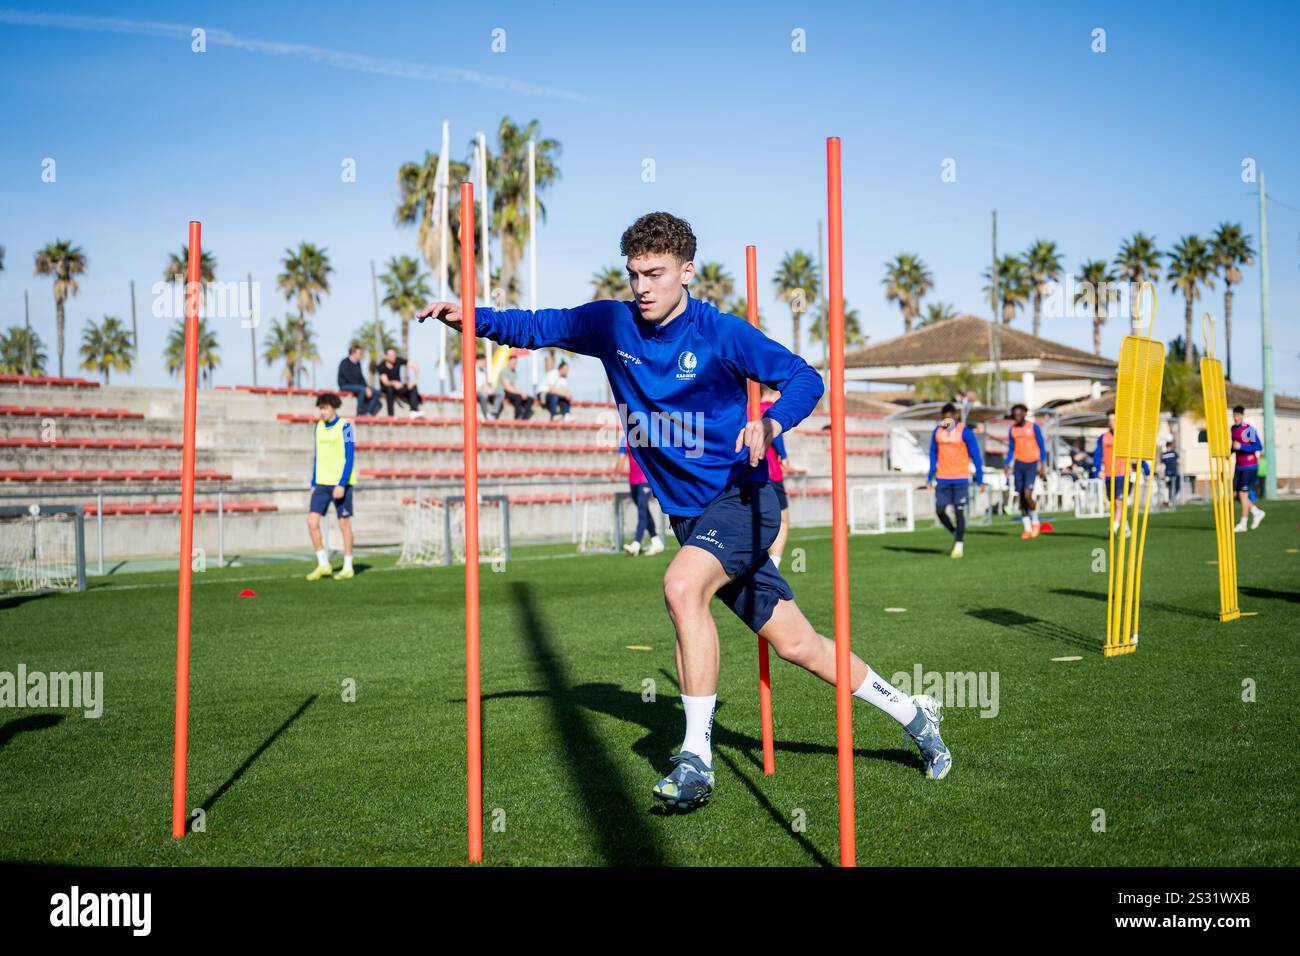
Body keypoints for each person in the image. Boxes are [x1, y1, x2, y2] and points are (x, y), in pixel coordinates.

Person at [418, 211, 952, 809]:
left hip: (747, 501)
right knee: (798, 646)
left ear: (686, 271)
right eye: (634, 274)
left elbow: (805, 378)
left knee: (680, 587)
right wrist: (472, 318)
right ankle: (914, 713)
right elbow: (540, 324)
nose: (642, 286)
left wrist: (771, 421)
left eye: (655, 273)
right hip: (692, 518)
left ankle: (696, 757)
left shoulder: (723, 333)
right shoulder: (611, 323)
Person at [305, 393, 356, 581]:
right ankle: (323, 564)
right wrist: (313, 482)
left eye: (325, 408)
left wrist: (342, 483)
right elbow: (318, 455)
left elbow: (350, 456)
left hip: (341, 483)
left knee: (344, 524)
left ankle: (348, 566)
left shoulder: (346, 426)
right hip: (321, 484)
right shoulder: (318, 427)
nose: (322, 412)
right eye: (320, 408)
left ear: (334, 407)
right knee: (312, 522)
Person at [928, 402, 985, 558]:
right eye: (944, 416)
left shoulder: (965, 432)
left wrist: (980, 479)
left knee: (959, 512)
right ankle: (956, 533)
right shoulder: (937, 432)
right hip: (943, 478)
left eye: (949, 416)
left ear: (955, 416)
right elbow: (933, 454)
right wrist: (930, 476)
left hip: (960, 478)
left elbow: (976, 456)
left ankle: (959, 544)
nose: (946, 419)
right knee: (940, 511)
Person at [1092, 410, 1148, 535]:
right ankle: (1125, 526)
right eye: (1110, 420)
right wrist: (1097, 470)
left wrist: (1147, 470)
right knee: (1114, 504)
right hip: (1109, 475)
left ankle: (1113, 528)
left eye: (1114, 420)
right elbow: (1097, 455)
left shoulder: (1126, 437)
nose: (1112, 423)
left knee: (1119, 503)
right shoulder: (1103, 437)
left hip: (1124, 475)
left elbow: (1137, 454)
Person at [615, 433, 664, 556]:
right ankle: (656, 541)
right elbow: (621, 459)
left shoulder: (643, 437)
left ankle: (636, 544)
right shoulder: (630, 438)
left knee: (642, 511)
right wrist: (616, 473)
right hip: (633, 481)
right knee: (644, 511)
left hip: (644, 480)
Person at [760, 386, 793, 566]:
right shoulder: (772, 411)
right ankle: (774, 563)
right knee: (783, 521)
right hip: (771, 474)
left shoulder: (747, 410)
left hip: (748, 474)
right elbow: (774, 432)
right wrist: (784, 455)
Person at [1005, 403, 1046, 539]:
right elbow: (1011, 449)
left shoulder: (1033, 427)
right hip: (1019, 464)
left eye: (1019, 414)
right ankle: (1027, 528)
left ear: (1024, 414)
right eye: (1014, 415)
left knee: (1028, 495)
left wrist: (1042, 465)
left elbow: (1041, 446)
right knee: (1021, 497)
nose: (1017, 417)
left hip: (1031, 464)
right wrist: (1006, 464)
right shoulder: (1013, 430)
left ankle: (1035, 522)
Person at [1231, 405, 1266, 532]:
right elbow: (1234, 446)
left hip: (1249, 466)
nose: (1235, 418)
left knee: (1242, 494)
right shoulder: (1233, 429)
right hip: (1238, 467)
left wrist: (1242, 448)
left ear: (1242, 416)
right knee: (1235, 495)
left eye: (1237, 415)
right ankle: (1257, 512)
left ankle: (1243, 523)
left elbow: (1258, 446)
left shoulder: (1247, 430)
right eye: (1234, 415)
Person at [377, 347, 423, 417]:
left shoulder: (398, 360)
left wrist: (415, 381)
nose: (393, 357)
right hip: (386, 388)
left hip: (398, 387)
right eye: (391, 356)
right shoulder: (381, 366)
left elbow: (413, 366)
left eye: (394, 355)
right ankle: (390, 415)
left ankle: (414, 410)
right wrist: (394, 383)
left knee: (413, 387)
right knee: (389, 389)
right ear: (386, 356)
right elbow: (385, 382)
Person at [337, 344, 380, 416]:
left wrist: (367, 387)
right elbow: (348, 378)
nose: (361, 355)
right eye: (359, 353)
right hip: (345, 385)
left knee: (376, 392)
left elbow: (361, 378)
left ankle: (369, 412)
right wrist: (364, 388)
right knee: (362, 390)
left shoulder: (358, 363)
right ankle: (360, 412)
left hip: (358, 386)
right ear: (353, 353)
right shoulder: (344, 362)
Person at [500, 353, 534, 420]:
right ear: (509, 362)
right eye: (513, 363)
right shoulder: (504, 371)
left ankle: (524, 418)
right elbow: (508, 388)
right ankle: (517, 416)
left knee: (530, 399)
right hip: (505, 392)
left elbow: (517, 385)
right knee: (518, 397)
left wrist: (522, 393)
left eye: (515, 363)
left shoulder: (514, 372)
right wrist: (520, 393)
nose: (514, 365)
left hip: (513, 392)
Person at [475, 355, 504, 419]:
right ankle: (486, 415)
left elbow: (485, 384)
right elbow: (475, 387)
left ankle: (494, 412)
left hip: (483, 389)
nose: (484, 363)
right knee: (483, 395)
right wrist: (486, 390)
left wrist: (490, 390)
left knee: (500, 392)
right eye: (483, 361)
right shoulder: (473, 369)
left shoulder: (484, 370)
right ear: (478, 361)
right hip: (476, 391)